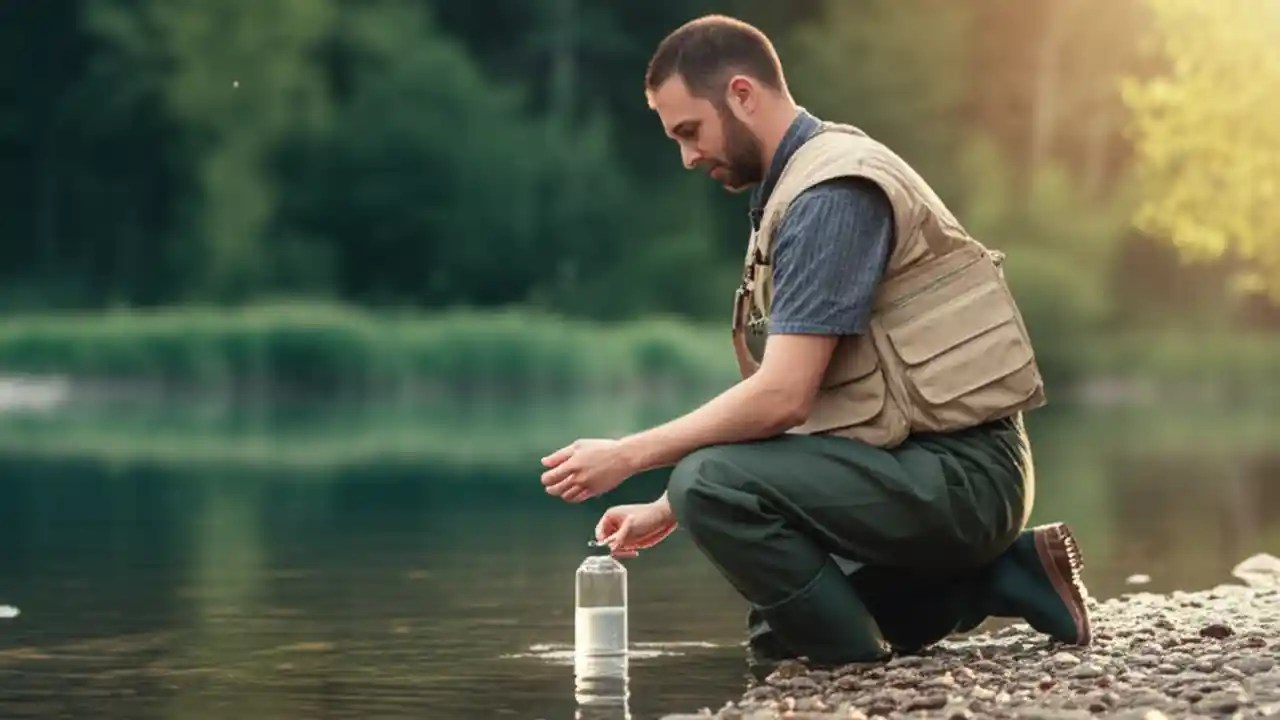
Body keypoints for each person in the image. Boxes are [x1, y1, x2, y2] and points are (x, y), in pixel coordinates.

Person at [539, 14, 1091, 667]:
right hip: (921, 471)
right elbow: (825, 404)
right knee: (779, 634)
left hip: (962, 476)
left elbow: (784, 399)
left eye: (690, 132)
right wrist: (664, 509)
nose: (687, 157)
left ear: (742, 94)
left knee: (710, 487)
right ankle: (1007, 572)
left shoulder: (831, 195)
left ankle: (855, 670)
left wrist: (630, 456)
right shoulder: (797, 188)